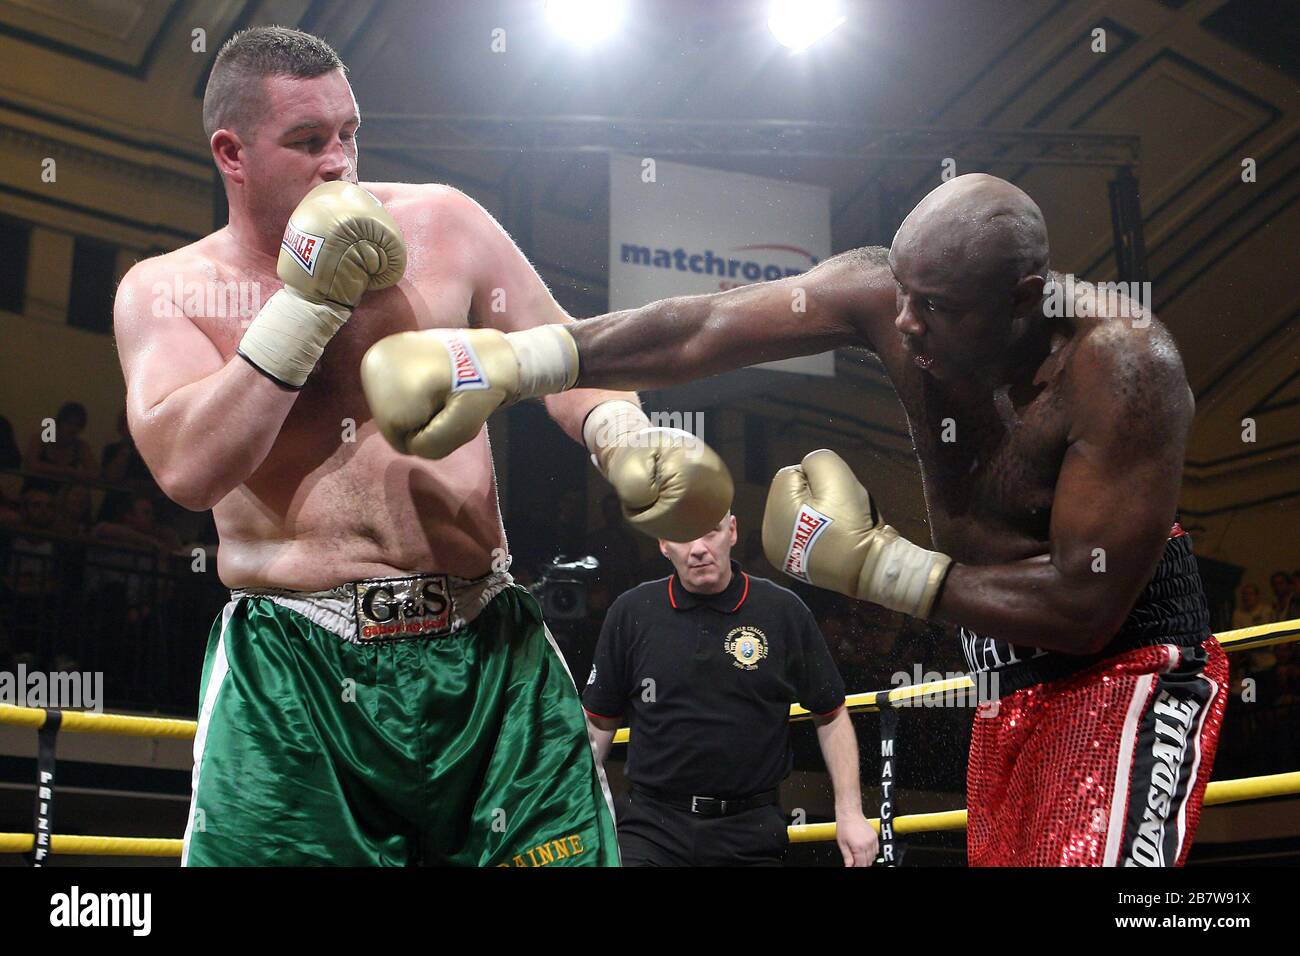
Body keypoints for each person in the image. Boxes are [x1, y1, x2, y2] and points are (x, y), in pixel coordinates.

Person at [370, 173, 1228, 867]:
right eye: (904, 291)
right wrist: (519, 360)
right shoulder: (889, 295)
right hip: (1005, 681)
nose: (904, 320)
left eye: (935, 306)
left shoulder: (1120, 368)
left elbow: (1086, 610)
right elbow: (703, 326)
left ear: (1023, 298)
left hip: (1126, 670)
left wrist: (873, 566)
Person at [113, 26, 732, 867]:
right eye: (305, 142)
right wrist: (307, 306)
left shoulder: (445, 223)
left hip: (488, 646)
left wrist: (622, 438)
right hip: (298, 671)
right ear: (232, 152)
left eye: (348, 133)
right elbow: (188, 469)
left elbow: (568, 358)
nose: (338, 162)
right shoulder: (169, 289)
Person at [583, 513, 877, 866]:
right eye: (682, 536)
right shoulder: (632, 612)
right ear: (663, 544)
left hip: (749, 831)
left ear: (732, 531)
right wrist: (567, 812)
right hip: (650, 828)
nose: (698, 550)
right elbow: (599, 723)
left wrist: (849, 813)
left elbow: (830, 715)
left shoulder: (782, 611)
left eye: (709, 533)